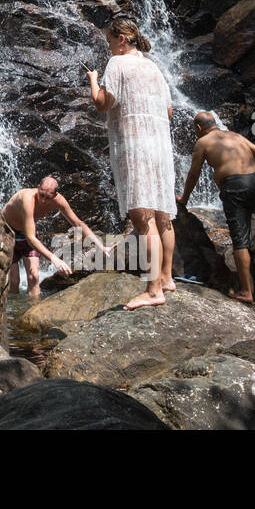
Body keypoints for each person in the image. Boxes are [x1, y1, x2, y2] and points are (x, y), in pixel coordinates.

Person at [86, 16, 177, 310]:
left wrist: (93, 81)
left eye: (110, 41)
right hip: (159, 146)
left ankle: (153, 291)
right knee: (163, 213)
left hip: (135, 146)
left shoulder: (117, 64)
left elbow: (103, 103)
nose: (109, 46)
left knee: (142, 217)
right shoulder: (154, 68)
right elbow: (169, 113)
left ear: (122, 40)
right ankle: (166, 277)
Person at [177, 111, 255, 302]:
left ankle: (246, 291)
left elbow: (194, 174)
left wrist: (184, 199)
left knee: (240, 240)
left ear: (198, 128)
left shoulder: (203, 142)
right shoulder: (235, 136)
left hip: (233, 188)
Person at [3, 176, 112, 297]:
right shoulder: (27, 199)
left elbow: (77, 223)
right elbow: (31, 238)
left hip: (27, 233)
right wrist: (54, 258)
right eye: (41, 195)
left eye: (48, 197)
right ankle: (14, 312)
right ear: (38, 188)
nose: (43, 200)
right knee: (14, 281)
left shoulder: (59, 200)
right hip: (7, 233)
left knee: (34, 277)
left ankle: (33, 312)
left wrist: (101, 246)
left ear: (55, 195)